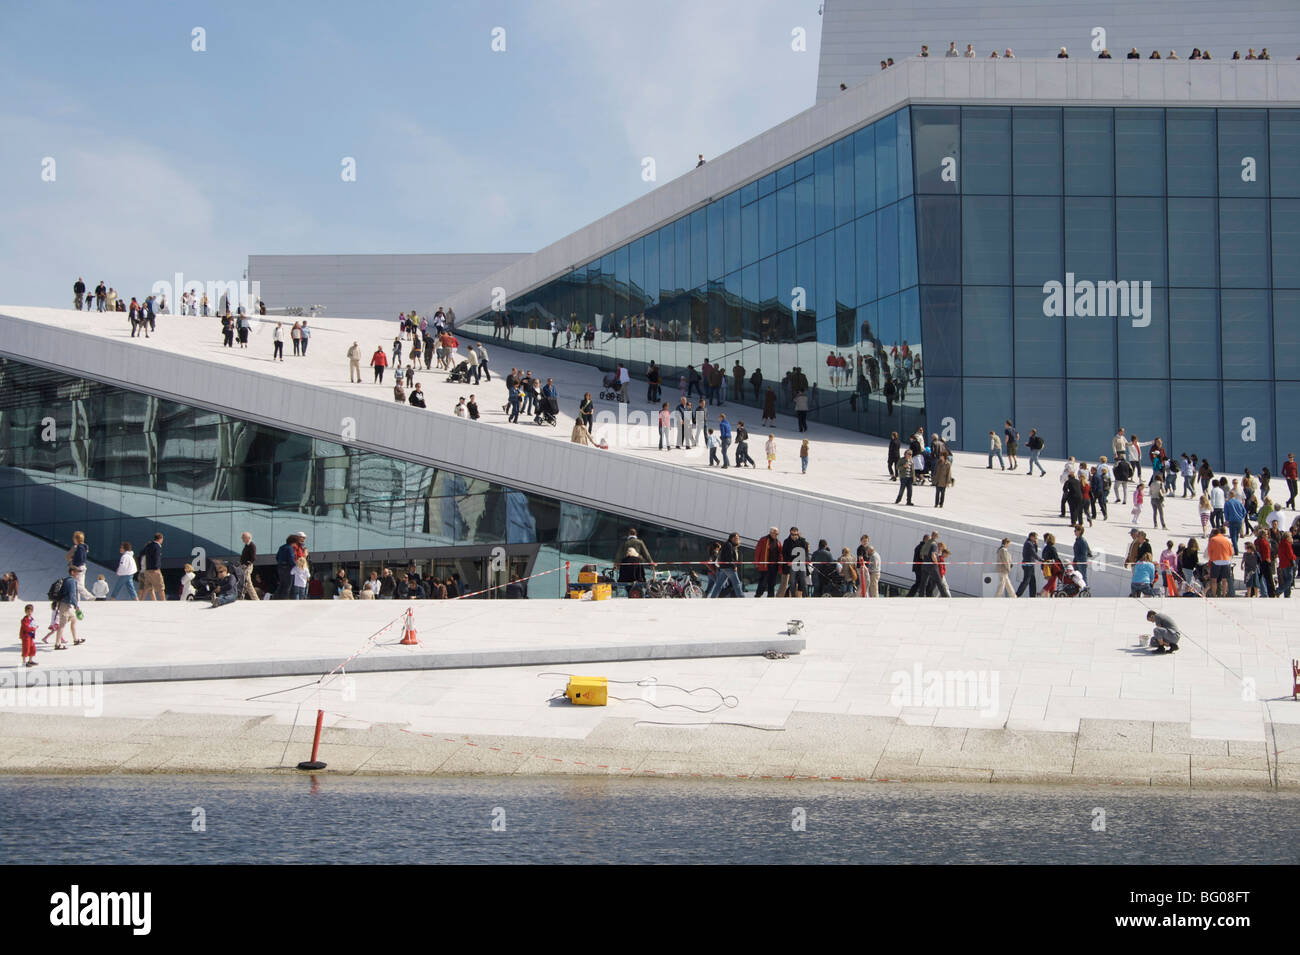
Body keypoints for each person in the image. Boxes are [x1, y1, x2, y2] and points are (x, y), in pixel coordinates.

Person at [52, 571, 83, 649]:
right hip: (64, 605)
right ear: (72, 572)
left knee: (73, 619)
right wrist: (76, 605)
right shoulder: (71, 581)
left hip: (66, 605)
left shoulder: (67, 580)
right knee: (62, 625)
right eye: (77, 572)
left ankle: (75, 639)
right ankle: (57, 644)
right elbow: (72, 594)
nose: (78, 574)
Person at [707, 532, 744, 597]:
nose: (738, 539)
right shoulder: (729, 545)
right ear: (732, 538)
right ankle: (741, 597)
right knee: (737, 583)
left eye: (738, 538)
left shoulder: (728, 544)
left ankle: (713, 597)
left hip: (723, 568)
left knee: (719, 585)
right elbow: (729, 557)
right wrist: (734, 566)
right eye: (736, 538)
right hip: (729, 567)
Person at [754, 527, 782, 597]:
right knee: (763, 583)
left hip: (774, 566)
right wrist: (757, 563)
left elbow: (780, 553)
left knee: (772, 583)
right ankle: (758, 596)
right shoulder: (763, 540)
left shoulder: (778, 542)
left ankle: (771, 596)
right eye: (775, 533)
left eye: (777, 534)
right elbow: (758, 552)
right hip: (765, 566)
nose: (776, 535)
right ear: (771, 533)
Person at [1206, 527, 1233, 596]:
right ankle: (1224, 595)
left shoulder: (1212, 540)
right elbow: (1231, 552)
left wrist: (1211, 560)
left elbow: (1209, 552)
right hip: (1226, 561)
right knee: (1224, 580)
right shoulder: (1227, 540)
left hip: (1216, 561)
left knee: (1214, 580)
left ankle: (1214, 594)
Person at [139, 533, 165, 600]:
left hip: (147, 570)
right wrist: (156, 567)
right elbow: (157, 557)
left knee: (147, 586)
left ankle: (141, 601)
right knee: (161, 587)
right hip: (154, 570)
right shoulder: (157, 546)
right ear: (160, 539)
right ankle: (164, 601)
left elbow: (141, 553)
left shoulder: (149, 545)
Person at [1017, 532, 1040, 597]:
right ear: (1031, 537)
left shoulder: (1031, 543)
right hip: (1028, 564)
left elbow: (1035, 552)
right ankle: (1018, 594)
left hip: (1031, 564)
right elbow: (1034, 553)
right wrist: (1040, 560)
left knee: (1032, 581)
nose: (1036, 539)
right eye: (1035, 538)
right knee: (1026, 580)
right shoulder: (1028, 544)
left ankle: (1033, 595)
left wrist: (1036, 544)